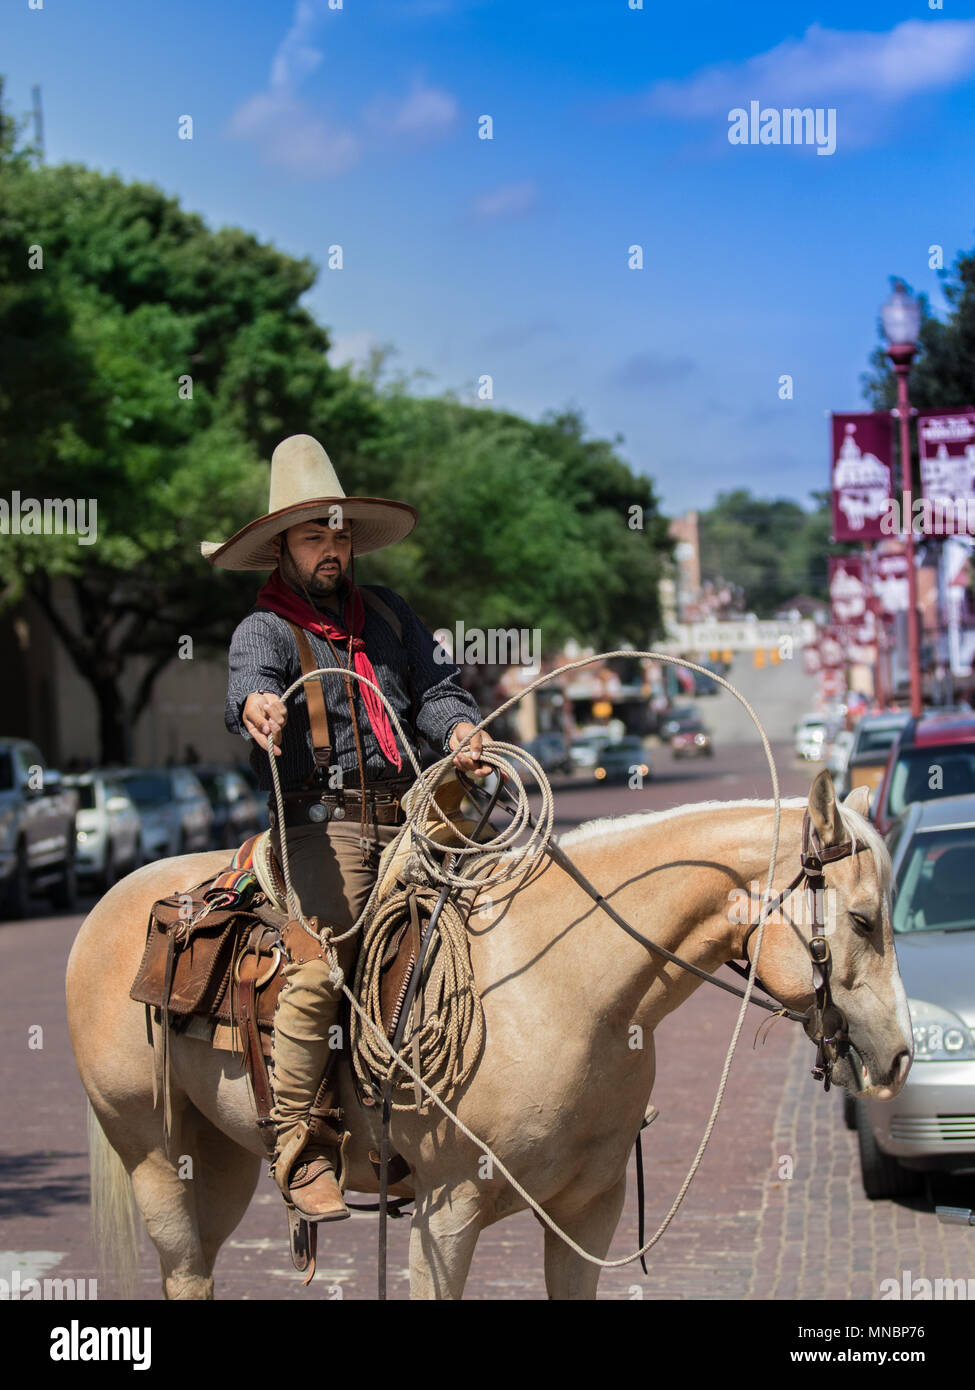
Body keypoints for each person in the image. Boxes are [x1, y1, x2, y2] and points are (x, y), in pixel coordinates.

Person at [201, 434, 491, 1221]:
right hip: (321, 825)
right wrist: (259, 709)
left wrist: (461, 731)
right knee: (323, 967)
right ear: (282, 548)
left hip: (413, 812)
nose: (331, 548)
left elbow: (438, 692)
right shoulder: (263, 630)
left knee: (501, 914)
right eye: (312, 535)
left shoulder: (391, 614)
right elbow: (251, 691)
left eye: (338, 533)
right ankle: (298, 1149)